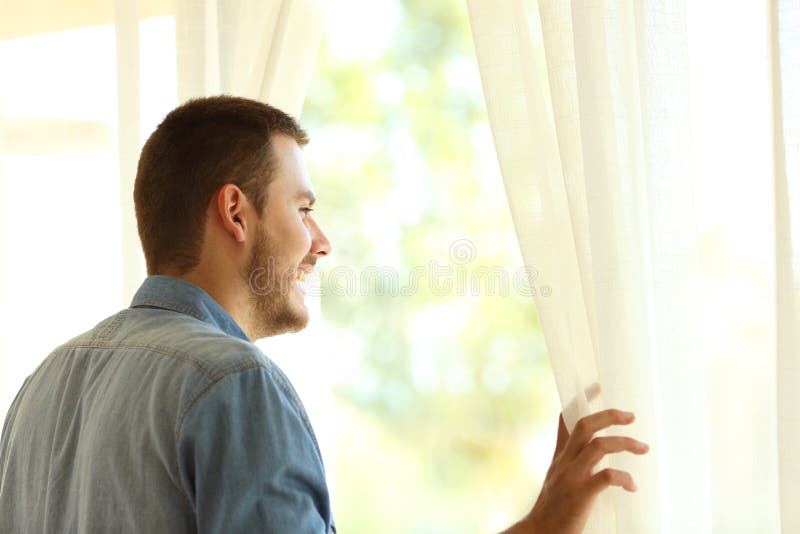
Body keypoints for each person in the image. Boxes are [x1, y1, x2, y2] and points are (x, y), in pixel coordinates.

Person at [0, 95, 648, 534]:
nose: (322, 242)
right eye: (303, 208)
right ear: (235, 212)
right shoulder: (232, 385)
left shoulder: (40, 390)